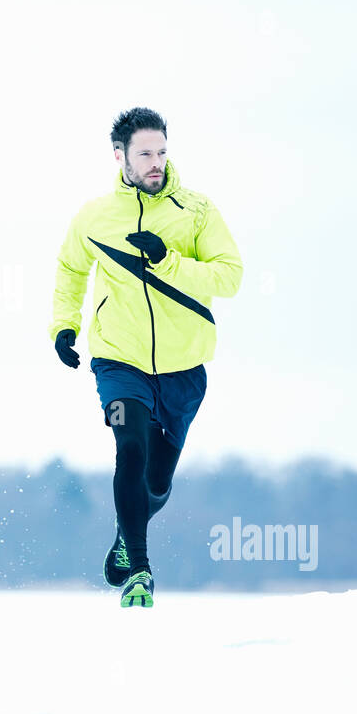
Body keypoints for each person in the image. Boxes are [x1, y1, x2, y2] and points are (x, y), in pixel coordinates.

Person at [49, 107, 243, 607]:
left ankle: (123, 534)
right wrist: (64, 325)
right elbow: (71, 269)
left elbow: (230, 276)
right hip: (118, 362)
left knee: (157, 480)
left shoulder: (196, 211)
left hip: (184, 368)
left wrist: (168, 261)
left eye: (161, 152)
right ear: (121, 157)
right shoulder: (95, 216)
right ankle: (139, 568)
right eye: (144, 154)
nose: (155, 162)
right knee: (129, 449)